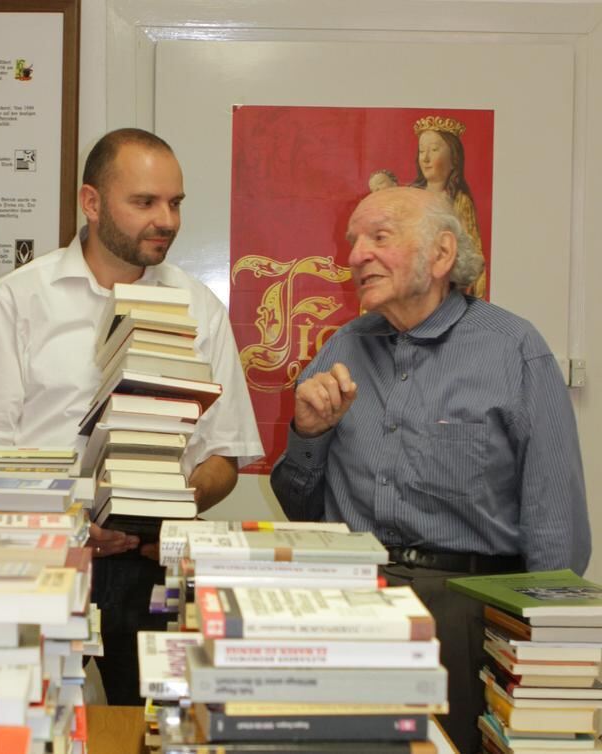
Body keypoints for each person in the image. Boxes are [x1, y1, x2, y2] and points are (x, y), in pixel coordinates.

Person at [0, 128, 263, 704]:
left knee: (154, 728)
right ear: (91, 203)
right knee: (29, 724)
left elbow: (223, 457)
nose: (166, 219)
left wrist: (158, 512)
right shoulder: (18, 301)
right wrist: (66, 525)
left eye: (175, 202)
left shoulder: (201, 310)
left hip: (150, 569)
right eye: (144, 202)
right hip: (37, 564)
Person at [270, 186, 590, 754]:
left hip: (467, 613)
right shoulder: (341, 347)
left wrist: (538, 669)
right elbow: (303, 511)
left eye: (379, 237)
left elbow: (556, 531)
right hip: (349, 605)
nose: (355, 256)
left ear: (441, 256)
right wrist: (309, 435)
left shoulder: (515, 349)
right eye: (353, 241)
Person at [411, 114, 486, 298]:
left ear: (454, 159)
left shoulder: (459, 201)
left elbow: (472, 253)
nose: (426, 158)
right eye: (421, 151)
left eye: (434, 149)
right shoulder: (409, 196)